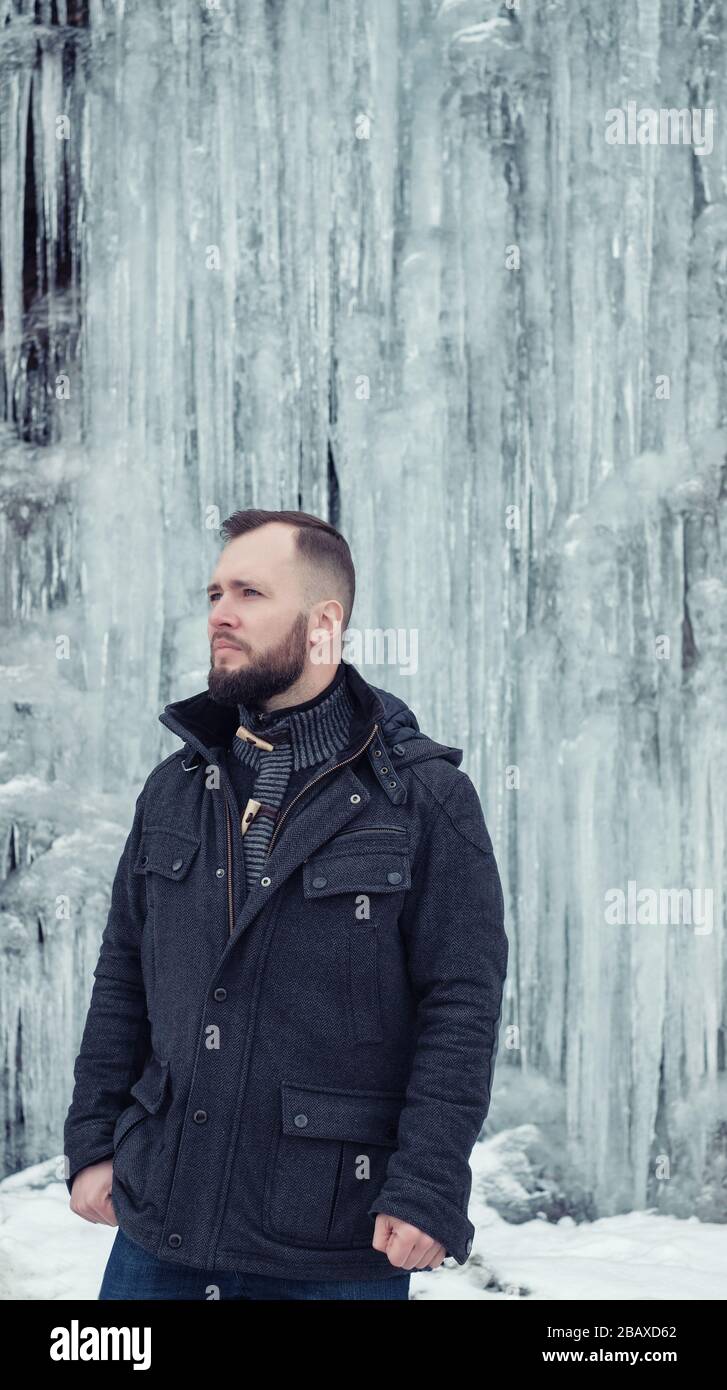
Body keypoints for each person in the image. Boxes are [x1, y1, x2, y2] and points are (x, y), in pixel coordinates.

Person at [64, 509, 508, 1301]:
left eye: (248, 593)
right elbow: (123, 974)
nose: (219, 615)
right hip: (161, 1219)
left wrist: (427, 1184)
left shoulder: (425, 800)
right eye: (212, 593)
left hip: (330, 1235)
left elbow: (460, 1006)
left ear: (322, 622)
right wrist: (94, 1141)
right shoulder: (174, 788)